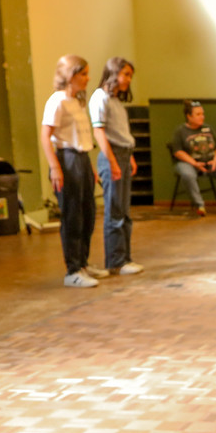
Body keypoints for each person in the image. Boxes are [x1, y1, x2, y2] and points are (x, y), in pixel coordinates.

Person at [41, 55, 100, 288]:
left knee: (88, 212)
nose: (87, 78)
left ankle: (83, 263)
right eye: (83, 74)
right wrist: (55, 166)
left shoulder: (77, 101)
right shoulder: (57, 101)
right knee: (73, 214)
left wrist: (90, 168)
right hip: (67, 160)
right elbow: (46, 136)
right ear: (70, 76)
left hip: (82, 159)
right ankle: (72, 269)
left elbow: (83, 137)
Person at [89, 56, 143, 276]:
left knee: (124, 211)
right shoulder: (99, 97)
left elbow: (120, 132)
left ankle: (125, 257)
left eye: (130, 75)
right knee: (115, 211)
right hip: (111, 156)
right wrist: (112, 161)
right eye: (125, 74)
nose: (128, 79)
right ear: (113, 73)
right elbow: (99, 131)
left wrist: (129, 157)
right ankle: (115, 261)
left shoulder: (116, 101)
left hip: (123, 154)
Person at [172, 101, 216, 216]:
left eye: (203, 114)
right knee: (187, 174)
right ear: (189, 116)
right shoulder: (180, 131)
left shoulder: (208, 129)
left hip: (210, 162)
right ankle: (199, 205)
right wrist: (194, 163)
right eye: (198, 114)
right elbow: (177, 152)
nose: (202, 117)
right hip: (188, 163)